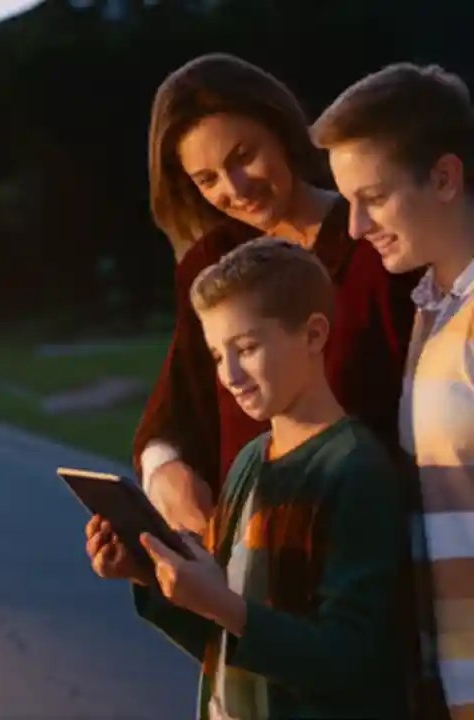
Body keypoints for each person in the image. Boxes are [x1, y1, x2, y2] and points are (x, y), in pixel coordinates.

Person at [88, 237, 408, 719]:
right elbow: (228, 643)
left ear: (314, 334)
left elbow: (350, 660)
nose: (230, 374)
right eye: (218, 355)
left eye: (247, 347)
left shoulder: (355, 470)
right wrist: (150, 576)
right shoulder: (248, 462)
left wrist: (221, 606)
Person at [133, 53, 417, 536]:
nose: (235, 188)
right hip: (250, 561)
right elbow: (176, 409)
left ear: (281, 129)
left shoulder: (377, 244)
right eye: (207, 180)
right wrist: (164, 474)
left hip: (365, 551)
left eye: (243, 156)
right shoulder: (213, 263)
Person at [313, 61, 474, 720]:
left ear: (443, 177)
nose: (353, 227)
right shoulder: (432, 315)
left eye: (372, 197)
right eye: (346, 200)